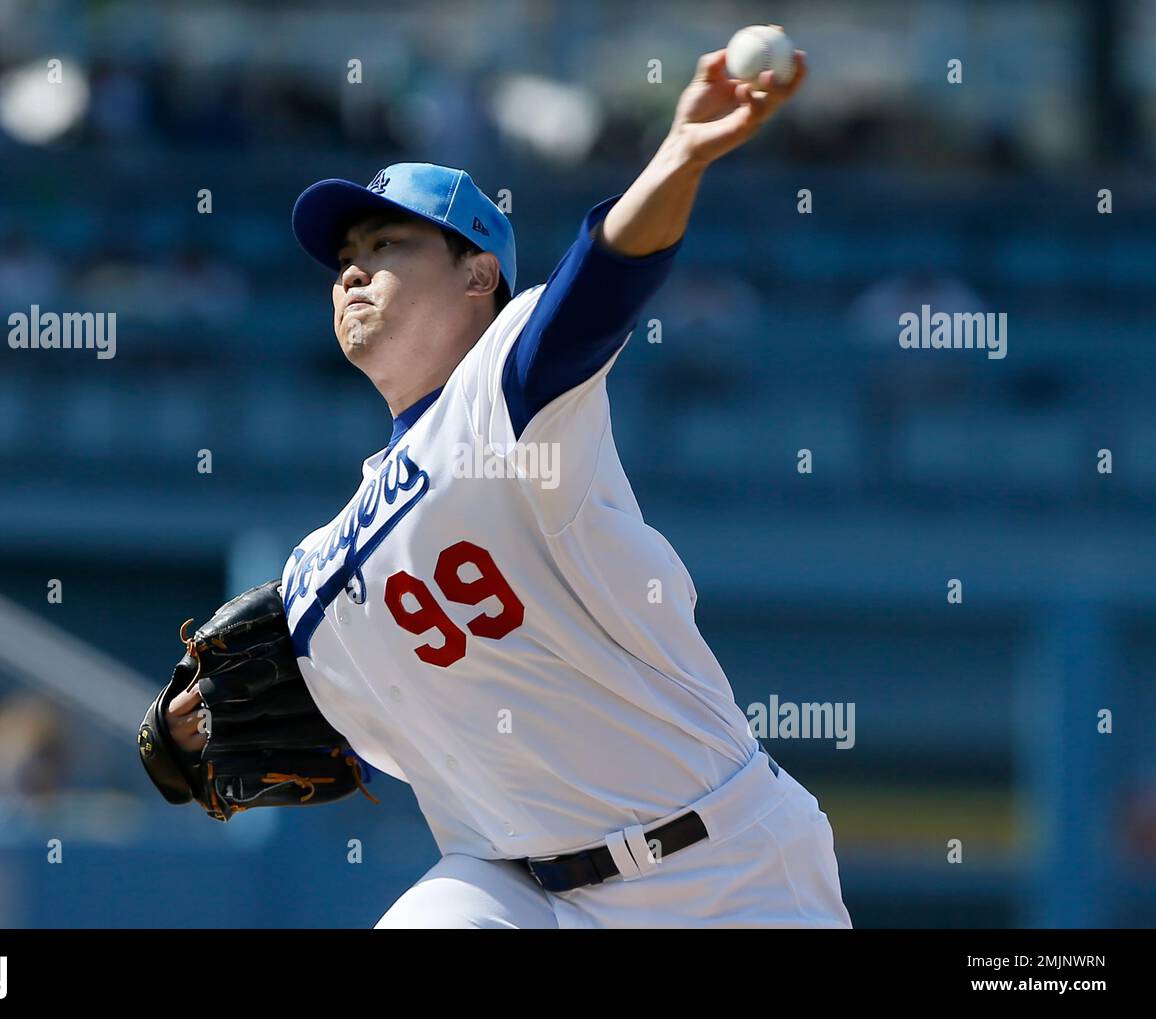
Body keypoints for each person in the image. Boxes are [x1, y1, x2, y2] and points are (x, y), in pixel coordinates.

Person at [170, 47, 850, 928]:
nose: (350, 269)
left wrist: (679, 156)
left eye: (387, 243)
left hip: (724, 871)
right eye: (343, 254)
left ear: (479, 274)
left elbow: (602, 280)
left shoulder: (510, 396)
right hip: (518, 887)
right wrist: (189, 733)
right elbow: (330, 730)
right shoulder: (313, 570)